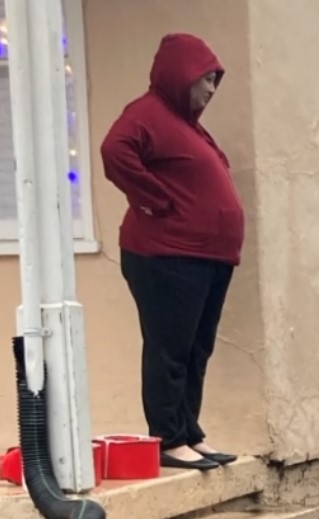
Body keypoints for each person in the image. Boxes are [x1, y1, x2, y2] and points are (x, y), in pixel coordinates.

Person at [101, 33, 245, 471]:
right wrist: (155, 201)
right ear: (180, 75)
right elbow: (114, 152)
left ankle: (189, 431)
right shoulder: (146, 114)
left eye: (215, 81)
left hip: (207, 258)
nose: (211, 90)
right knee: (171, 348)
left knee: (197, 348)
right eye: (205, 79)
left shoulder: (188, 126)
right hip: (166, 255)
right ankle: (166, 438)